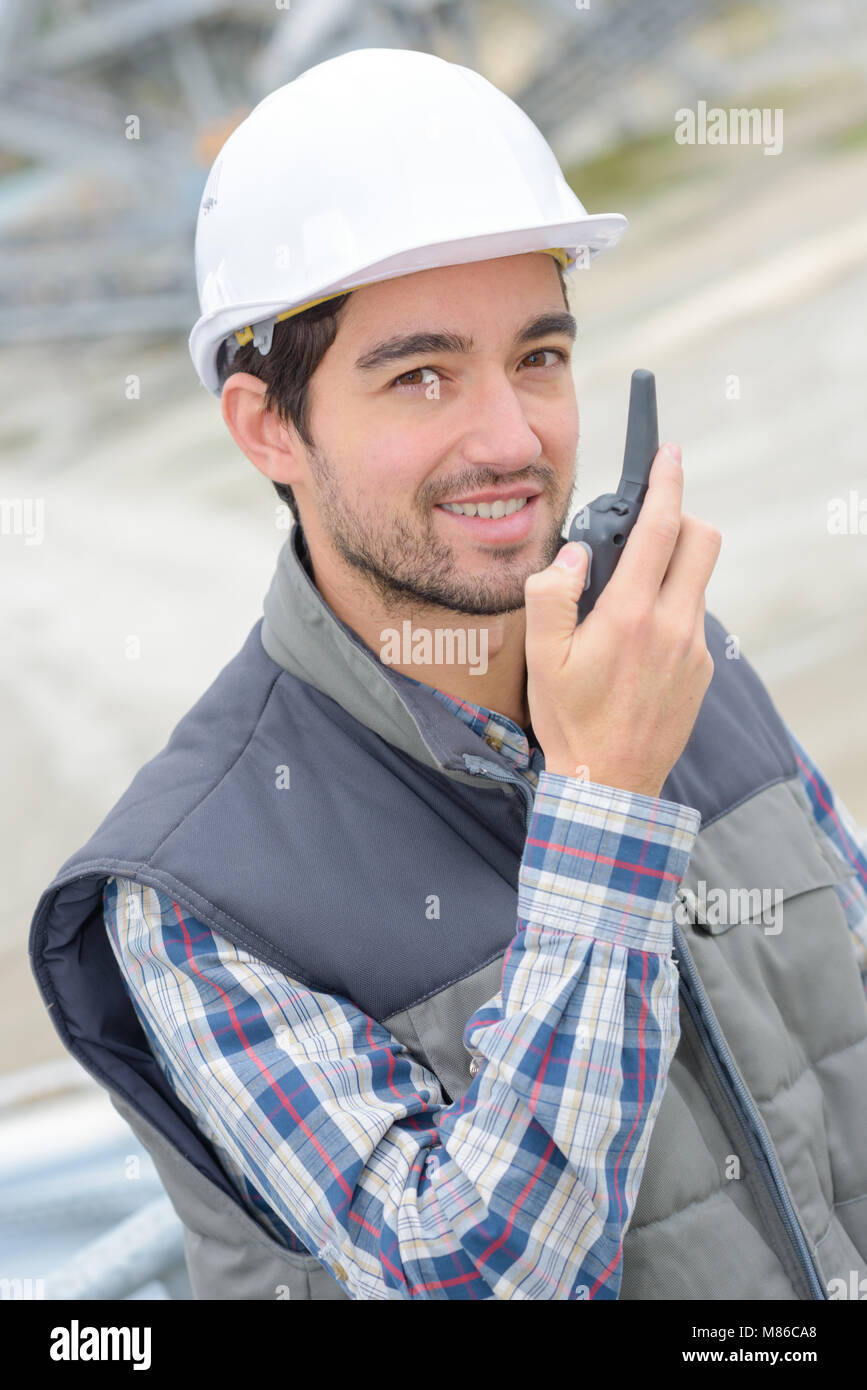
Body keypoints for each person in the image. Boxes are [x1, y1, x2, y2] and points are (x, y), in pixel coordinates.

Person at [29, 48, 867, 1301]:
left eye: (537, 355)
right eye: (421, 375)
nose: (512, 439)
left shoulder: (674, 648)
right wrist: (607, 810)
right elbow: (475, 1281)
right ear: (267, 425)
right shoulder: (191, 890)